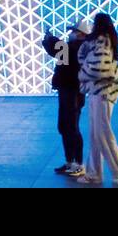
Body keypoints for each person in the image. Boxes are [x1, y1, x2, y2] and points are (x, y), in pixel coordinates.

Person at [76, 12, 118, 184]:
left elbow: (99, 67)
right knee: (95, 134)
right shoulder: (106, 39)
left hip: (102, 92)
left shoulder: (101, 39)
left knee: (102, 133)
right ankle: (94, 173)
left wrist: (83, 72)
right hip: (100, 91)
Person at [41, 18, 90, 176]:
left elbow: (60, 48)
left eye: (74, 31)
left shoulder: (81, 48)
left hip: (74, 92)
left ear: (82, 34)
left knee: (72, 127)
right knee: (64, 126)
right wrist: (48, 40)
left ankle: (78, 164)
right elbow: (57, 50)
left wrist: (50, 39)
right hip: (65, 90)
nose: (71, 34)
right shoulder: (71, 47)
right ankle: (70, 162)